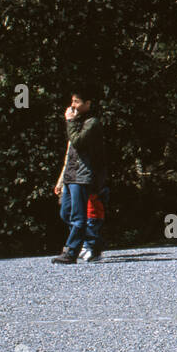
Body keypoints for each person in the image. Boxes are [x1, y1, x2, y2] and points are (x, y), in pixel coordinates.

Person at [52, 88, 108, 264]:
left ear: (88, 103)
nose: (72, 105)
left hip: (83, 175)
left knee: (78, 216)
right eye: (72, 101)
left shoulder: (92, 123)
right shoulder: (77, 121)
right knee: (65, 212)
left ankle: (71, 252)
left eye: (77, 102)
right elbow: (70, 153)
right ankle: (95, 244)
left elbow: (78, 141)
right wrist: (61, 180)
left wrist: (70, 121)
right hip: (71, 174)